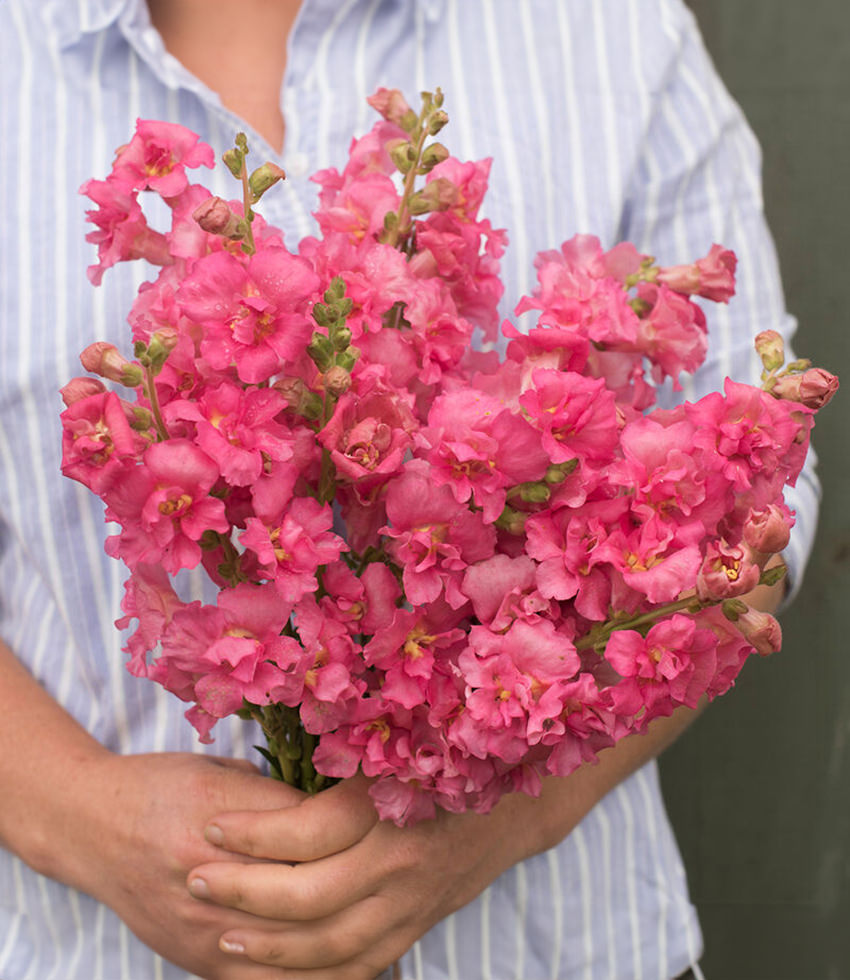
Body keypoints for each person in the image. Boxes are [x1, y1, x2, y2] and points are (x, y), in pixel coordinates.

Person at [0, 1, 819, 978]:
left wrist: (512, 810)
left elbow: (761, 499)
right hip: (88, 946)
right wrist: (78, 812)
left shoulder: (609, 28)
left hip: (559, 945)